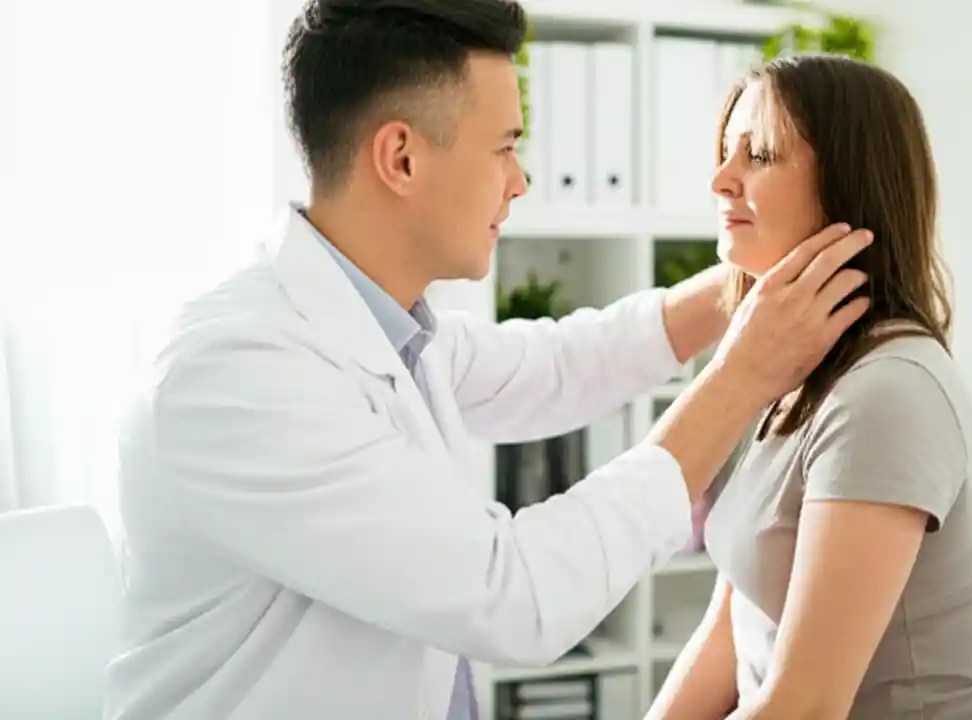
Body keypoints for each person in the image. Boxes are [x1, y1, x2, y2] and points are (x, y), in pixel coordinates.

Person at [103, 2, 874, 719]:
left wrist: (744, 287)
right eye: (505, 146)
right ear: (401, 158)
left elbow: (561, 365)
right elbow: (516, 596)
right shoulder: (238, 373)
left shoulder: (393, 330)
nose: (521, 180)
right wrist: (741, 377)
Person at [647, 55, 972, 720]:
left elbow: (807, 706)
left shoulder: (888, 395)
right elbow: (730, 631)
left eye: (759, 154)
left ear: (848, 185)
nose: (721, 179)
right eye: (726, 152)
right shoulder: (799, 373)